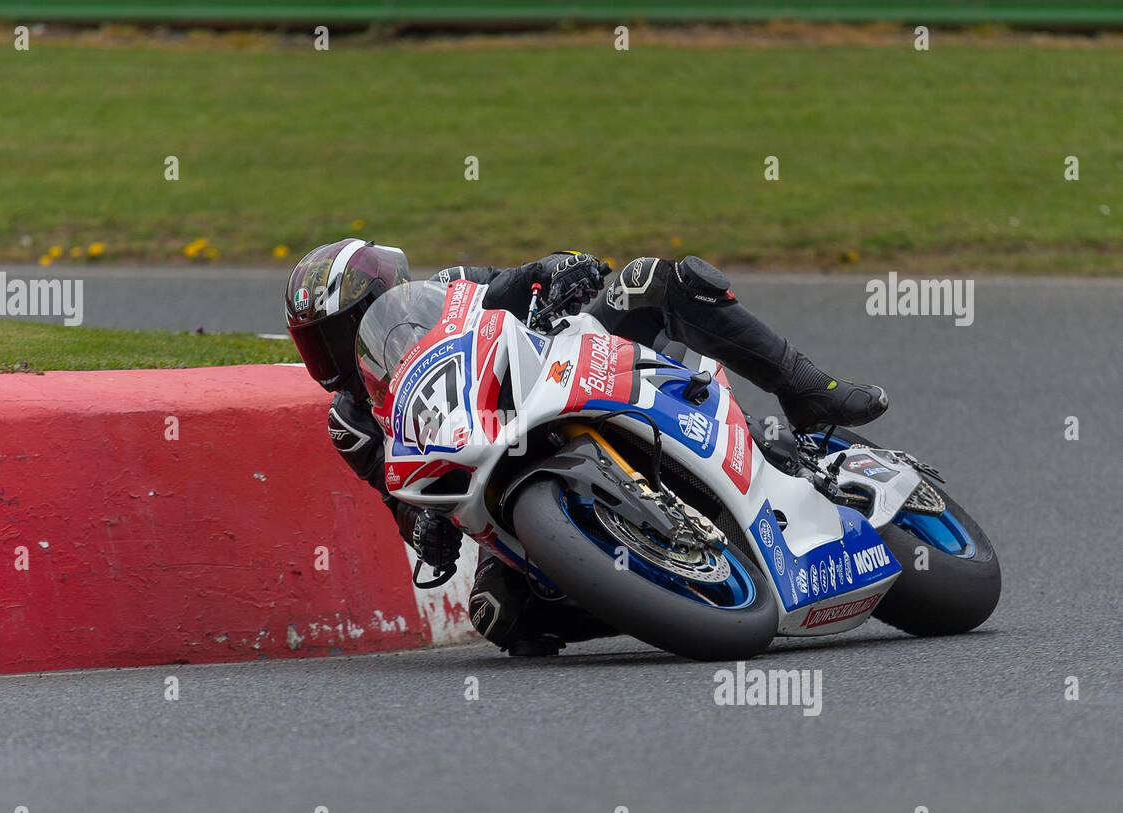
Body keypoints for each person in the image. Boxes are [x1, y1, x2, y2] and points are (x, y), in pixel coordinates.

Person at [285, 239, 888, 655]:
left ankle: (808, 388)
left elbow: (525, 279)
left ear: (383, 296)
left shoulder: (448, 288)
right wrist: (424, 528)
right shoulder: (354, 424)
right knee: (501, 614)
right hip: (492, 474)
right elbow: (401, 505)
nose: (335, 354)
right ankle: (661, 589)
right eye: (319, 343)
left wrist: (565, 269)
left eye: (342, 330)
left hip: (554, 377)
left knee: (655, 279)